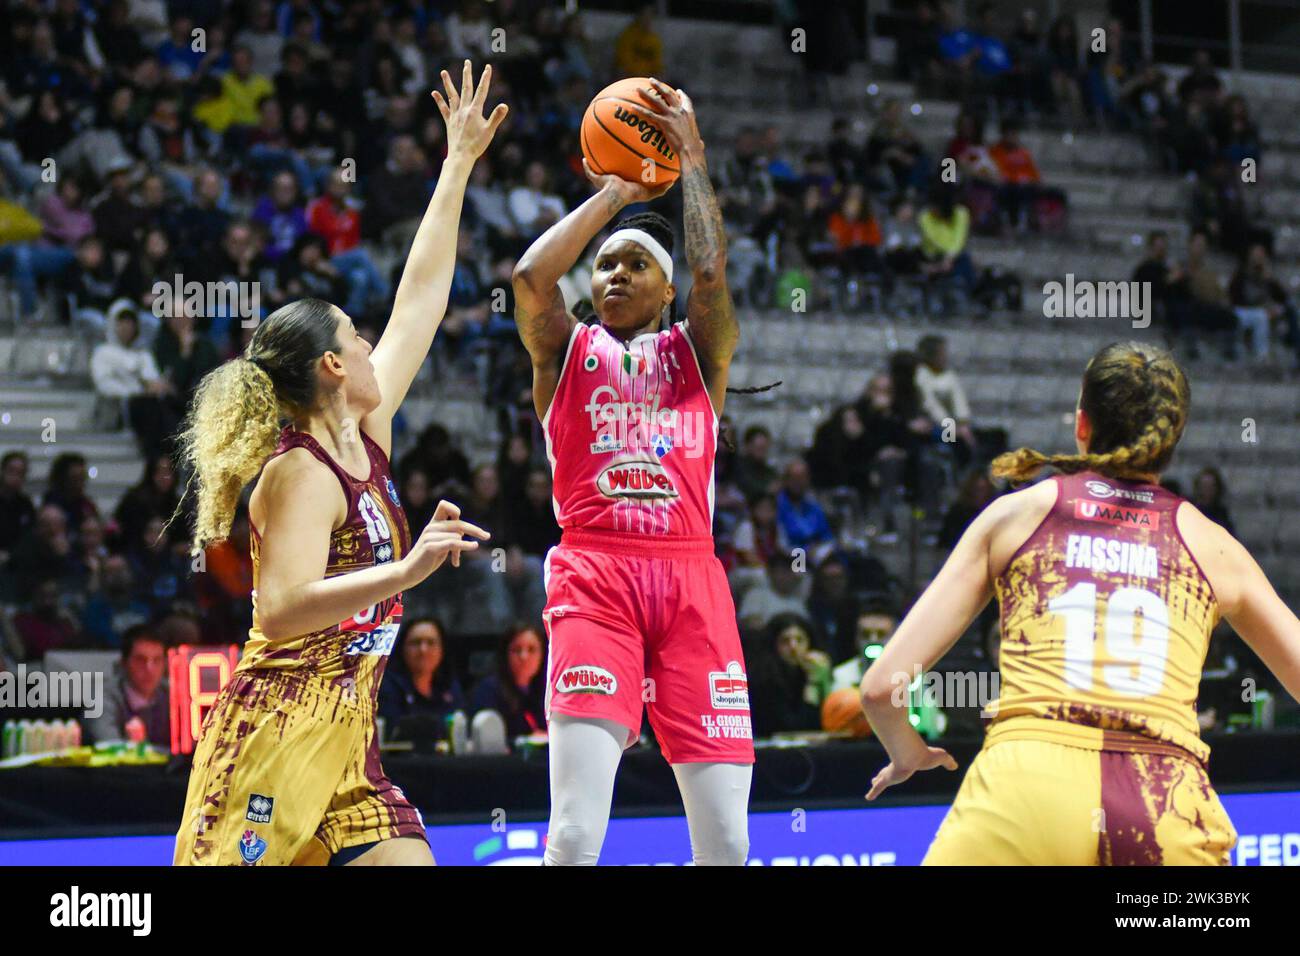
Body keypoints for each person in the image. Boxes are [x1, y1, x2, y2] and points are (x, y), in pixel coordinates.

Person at [171, 61, 505, 867]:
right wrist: (409, 569)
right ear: (329, 365)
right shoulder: (299, 472)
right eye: (354, 335)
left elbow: (420, 295)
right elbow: (282, 609)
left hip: (351, 744)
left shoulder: (370, 428)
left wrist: (456, 164)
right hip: (273, 741)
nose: (368, 343)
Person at [860, 341, 1300, 864]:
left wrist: (907, 751)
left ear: (1082, 424)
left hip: (1025, 792)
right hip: (1163, 803)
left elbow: (881, 689)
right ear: (1170, 440)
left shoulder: (1016, 515)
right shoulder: (1215, 547)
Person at [511, 77, 754, 865]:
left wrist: (691, 158)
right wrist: (614, 196)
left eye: (634, 266)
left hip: (690, 583)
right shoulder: (564, 350)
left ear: (666, 289)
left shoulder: (698, 351)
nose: (613, 274)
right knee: (577, 834)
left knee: (726, 843)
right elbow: (528, 280)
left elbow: (713, 276)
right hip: (594, 577)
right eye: (605, 265)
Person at [85, 624, 171, 746]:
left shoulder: (172, 694)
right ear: (124, 663)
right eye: (140, 660)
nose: (149, 669)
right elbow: (108, 746)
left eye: (157, 660)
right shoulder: (99, 699)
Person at [378, 616, 465, 730]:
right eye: (415, 643)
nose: (423, 650)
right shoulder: (386, 687)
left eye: (431, 642)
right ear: (402, 649)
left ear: (442, 650)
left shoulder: (449, 686)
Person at [469, 624, 547, 740]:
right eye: (517, 650)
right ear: (506, 655)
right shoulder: (489, 690)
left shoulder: (547, 691)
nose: (524, 656)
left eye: (531, 650)